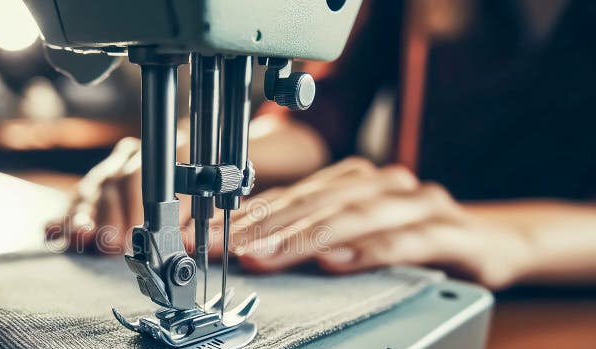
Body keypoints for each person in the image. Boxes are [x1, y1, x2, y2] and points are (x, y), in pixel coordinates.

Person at [47, 0, 596, 290]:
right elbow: (314, 122)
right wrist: (188, 150)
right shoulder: (409, 8)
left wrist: (510, 237)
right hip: (411, 266)